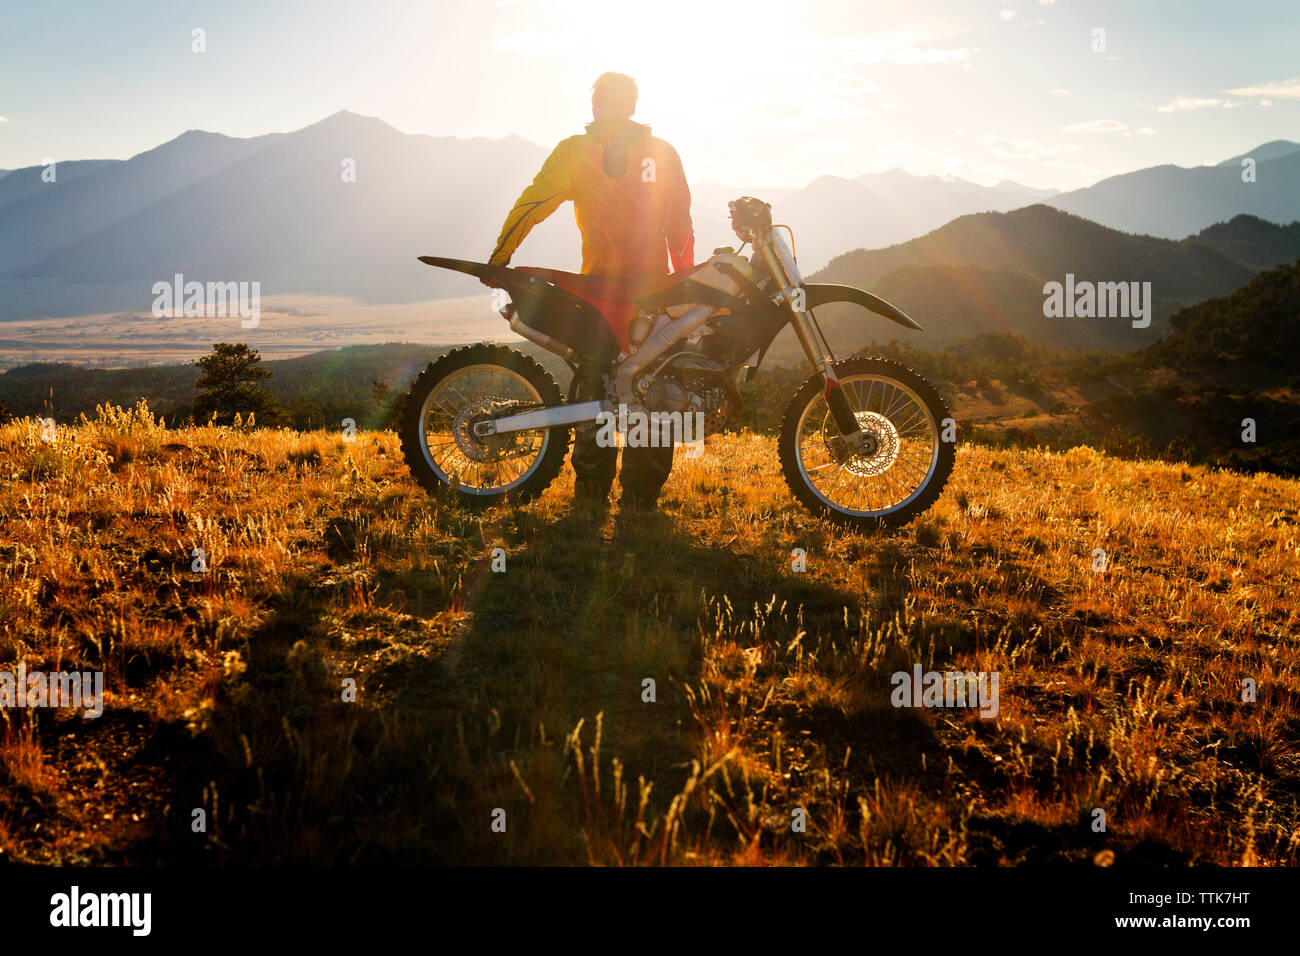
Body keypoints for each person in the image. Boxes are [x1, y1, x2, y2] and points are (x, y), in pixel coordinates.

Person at [484, 72, 694, 514]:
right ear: (629, 106)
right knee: (648, 392)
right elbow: (681, 229)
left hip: (601, 294)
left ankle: (594, 496)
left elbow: (533, 203)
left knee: (597, 388)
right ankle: (637, 501)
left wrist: (501, 255)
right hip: (649, 295)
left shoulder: (577, 152)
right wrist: (685, 288)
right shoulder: (660, 153)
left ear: (597, 105)